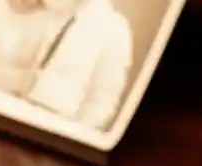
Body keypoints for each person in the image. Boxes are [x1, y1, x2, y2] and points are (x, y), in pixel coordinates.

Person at [0, 0, 134, 132]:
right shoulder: (14, 6)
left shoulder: (115, 29)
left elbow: (103, 100)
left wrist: (70, 136)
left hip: (48, 135)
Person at [25, 0, 134, 132]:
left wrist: (74, 133)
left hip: (55, 125)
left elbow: (104, 98)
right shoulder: (46, 7)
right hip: (14, 106)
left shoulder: (115, 28)